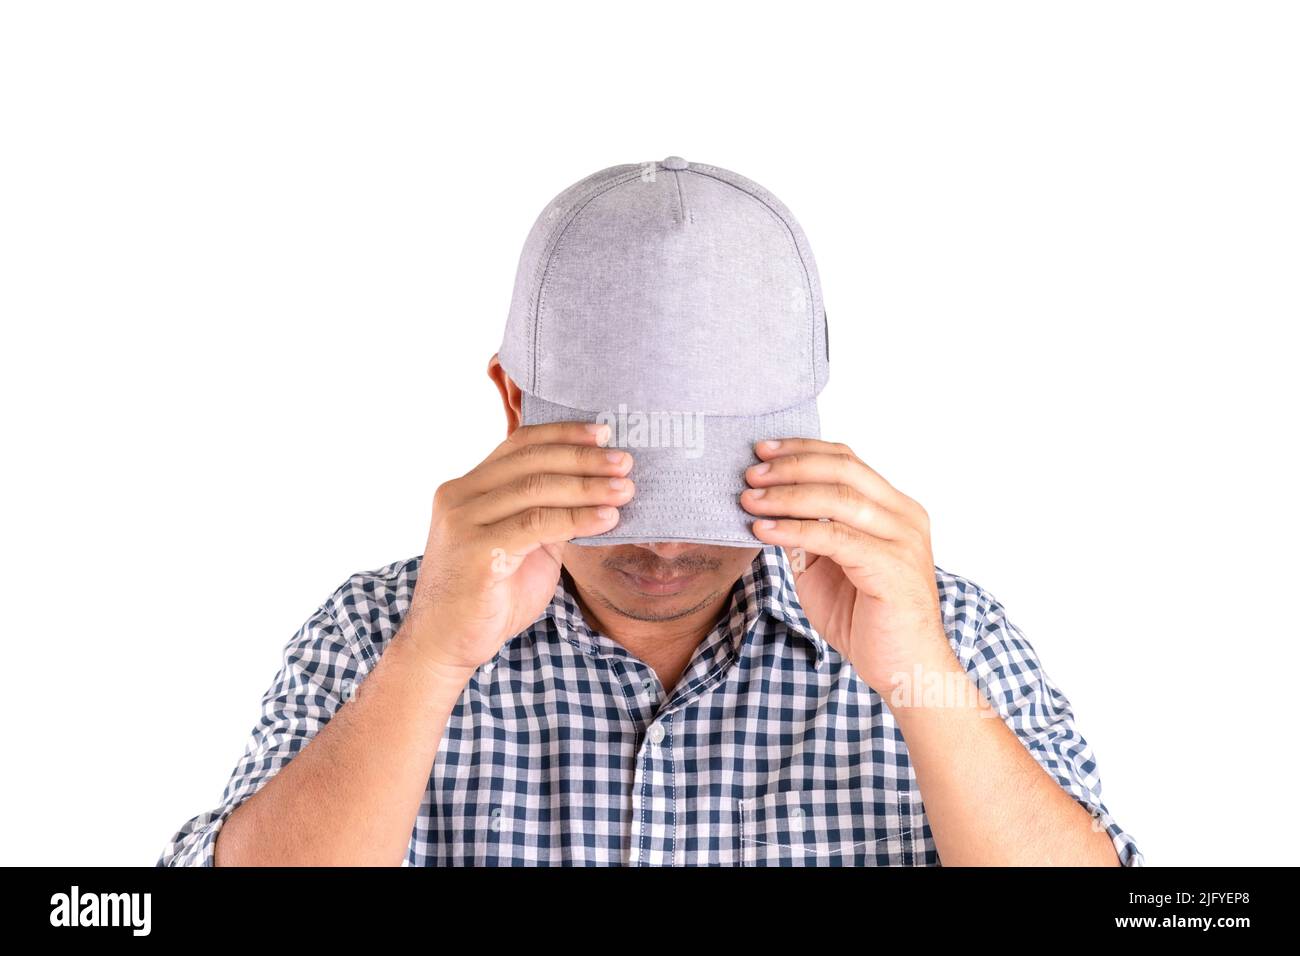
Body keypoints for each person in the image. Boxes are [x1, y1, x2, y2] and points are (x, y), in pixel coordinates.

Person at [157, 156, 1143, 866]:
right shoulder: (378, 633)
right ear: (512, 407)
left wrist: (920, 671)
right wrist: (429, 661)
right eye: (618, 493)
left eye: (720, 492)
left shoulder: (944, 632)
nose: (670, 541)